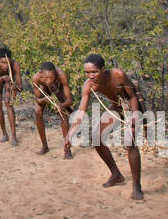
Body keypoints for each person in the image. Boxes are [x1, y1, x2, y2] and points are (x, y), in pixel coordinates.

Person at [70, 53, 145, 200]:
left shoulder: (118, 75)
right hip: (116, 107)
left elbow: (132, 96)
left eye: (94, 72)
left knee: (130, 143)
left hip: (132, 106)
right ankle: (116, 174)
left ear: (103, 70)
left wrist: (135, 114)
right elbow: (81, 111)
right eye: (87, 72)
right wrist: (70, 133)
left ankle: (137, 186)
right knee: (96, 137)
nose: (90, 76)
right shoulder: (89, 85)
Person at [30, 61, 73, 158]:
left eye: (51, 78)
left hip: (58, 88)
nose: (49, 81)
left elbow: (69, 100)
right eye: (46, 78)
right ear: (40, 74)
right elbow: (38, 100)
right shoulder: (36, 78)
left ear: (56, 74)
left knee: (63, 113)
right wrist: (45, 99)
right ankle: (45, 147)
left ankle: (67, 149)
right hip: (44, 90)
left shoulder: (61, 76)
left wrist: (61, 105)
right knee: (38, 111)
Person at [0, 46, 21, 145]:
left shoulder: (15, 64)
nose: (6, 66)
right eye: (3, 63)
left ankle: (14, 136)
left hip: (9, 82)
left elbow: (20, 86)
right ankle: (4, 134)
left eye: (8, 63)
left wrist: (15, 89)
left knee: (9, 104)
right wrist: (2, 79)